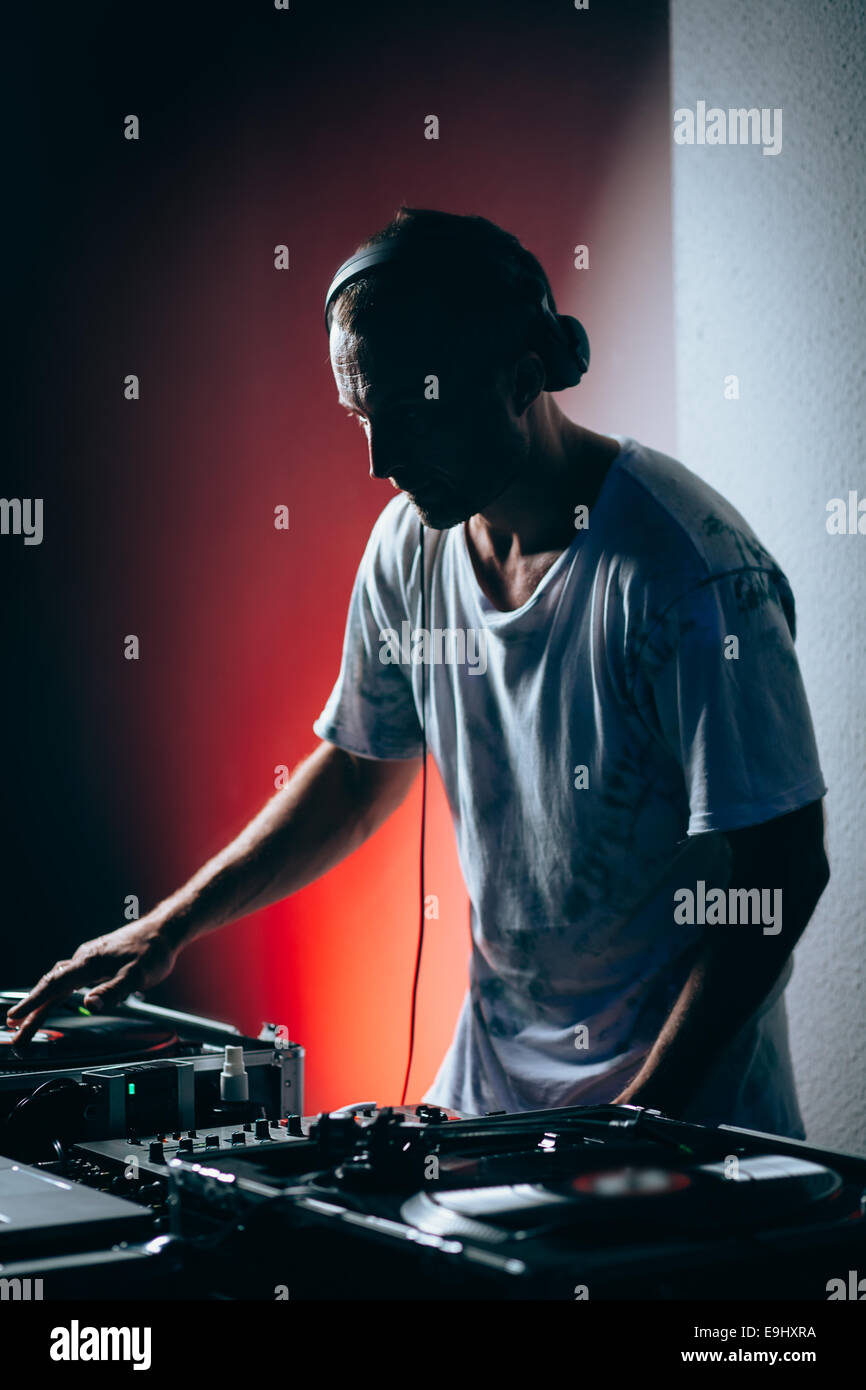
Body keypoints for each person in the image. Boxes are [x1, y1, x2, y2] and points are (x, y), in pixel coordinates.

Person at [7, 208, 829, 1138]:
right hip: (488, 1111)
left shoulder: (691, 576)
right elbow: (360, 772)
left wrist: (637, 1121)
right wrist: (171, 926)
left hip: (683, 1135)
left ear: (523, 379)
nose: (378, 461)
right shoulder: (411, 544)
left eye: (409, 413)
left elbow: (785, 870)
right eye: (363, 417)